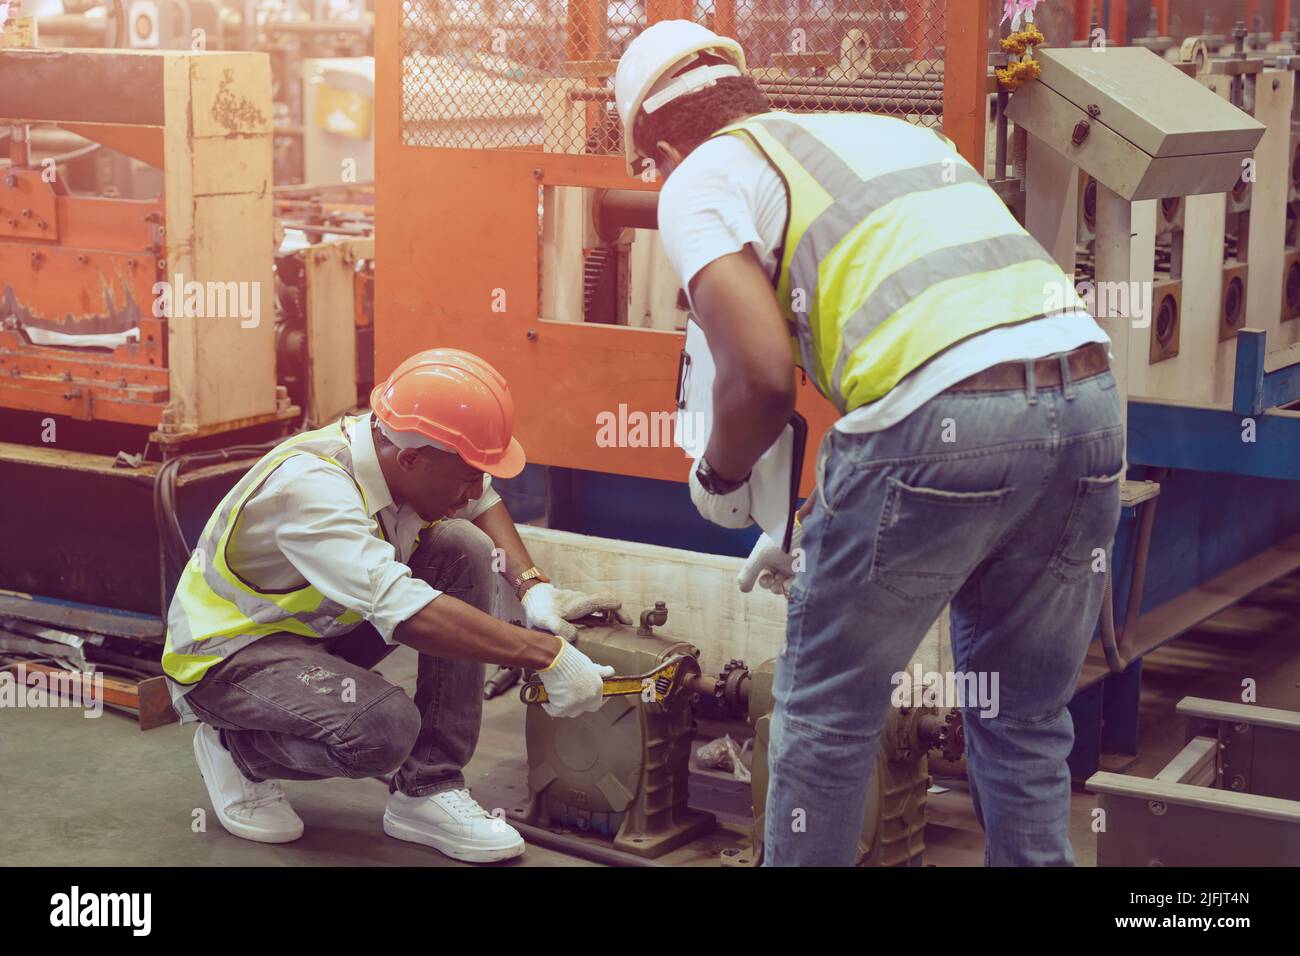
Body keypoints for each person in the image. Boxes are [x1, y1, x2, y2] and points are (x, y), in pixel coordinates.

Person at [615, 21, 1124, 866]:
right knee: (1025, 721)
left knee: (826, 717)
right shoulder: (887, 134)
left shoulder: (700, 176)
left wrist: (719, 472)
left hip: (937, 413)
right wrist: (808, 532)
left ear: (660, 144)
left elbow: (764, 378)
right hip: (1090, 405)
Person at [162, 348, 623, 862]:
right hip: (227, 659)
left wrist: (533, 587)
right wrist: (546, 655)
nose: (474, 489)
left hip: (311, 636)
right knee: (383, 728)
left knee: (462, 547)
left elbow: (483, 502)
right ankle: (237, 749)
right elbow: (409, 612)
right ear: (411, 459)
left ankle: (427, 788)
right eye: (466, 476)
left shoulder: (407, 451)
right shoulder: (314, 490)